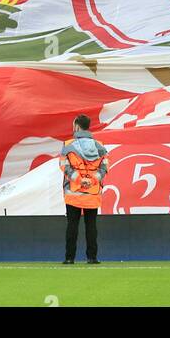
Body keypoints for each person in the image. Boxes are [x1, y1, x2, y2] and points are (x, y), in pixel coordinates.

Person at [60, 113, 108, 264]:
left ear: (77, 126)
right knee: (91, 225)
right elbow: (105, 167)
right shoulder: (100, 146)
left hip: (73, 192)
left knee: (72, 225)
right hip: (92, 192)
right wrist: (91, 180)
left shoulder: (68, 145)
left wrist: (79, 180)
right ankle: (92, 258)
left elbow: (64, 166)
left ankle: (69, 258)